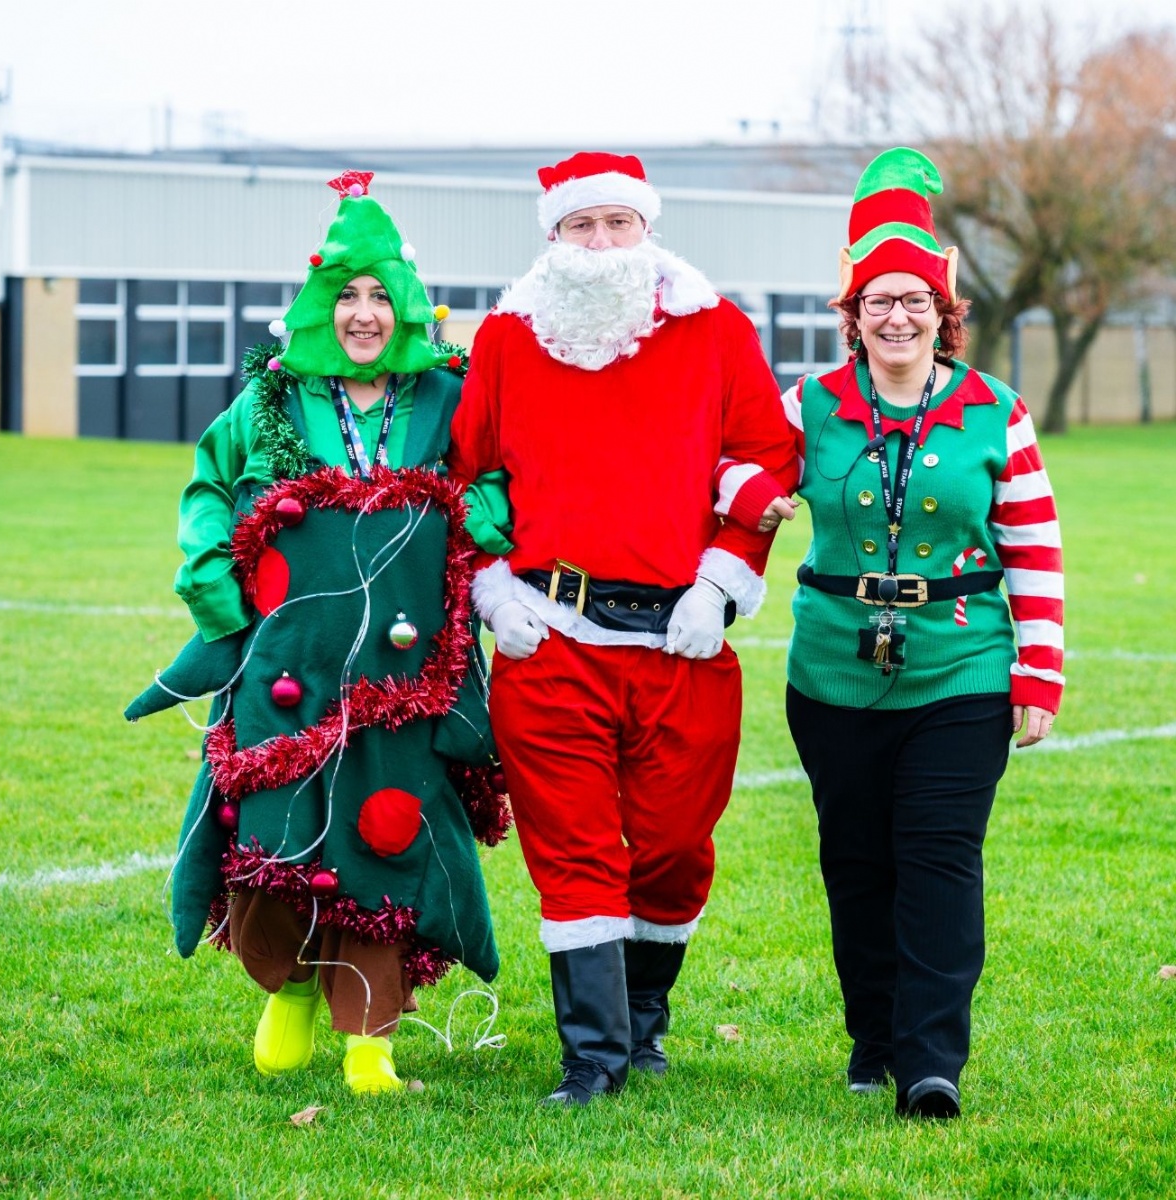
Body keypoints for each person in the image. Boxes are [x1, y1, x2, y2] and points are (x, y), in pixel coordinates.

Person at [126, 172, 510, 1095]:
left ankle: (370, 1042)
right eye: (348, 296)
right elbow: (209, 495)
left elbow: (497, 482)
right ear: (318, 306)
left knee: (385, 833)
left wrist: (472, 524)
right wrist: (224, 606)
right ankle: (290, 994)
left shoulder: (445, 400)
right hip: (285, 670)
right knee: (277, 825)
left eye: (381, 295)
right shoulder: (268, 403)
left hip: (400, 674)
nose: (365, 314)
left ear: (408, 305)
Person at [448, 151, 800, 1105]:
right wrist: (492, 591)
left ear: (647, 228)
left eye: (618, 224)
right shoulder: (507, 338)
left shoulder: (715, 326)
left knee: (676, 843)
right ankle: (595, 1057)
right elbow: (467, 476)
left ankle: (646, 1024)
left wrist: (723, 584)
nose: (600, 243)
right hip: (549, 635)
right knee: (571, 847)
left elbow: (767, 455)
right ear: (551, 236)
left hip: (681, 636)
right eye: (580, 226)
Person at [778, 147, 1064, 1119]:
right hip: (831, 675)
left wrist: (1039, 677)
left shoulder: (998, 414)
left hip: (961, 667)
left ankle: (932, 1060)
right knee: (856, 863)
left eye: (914, 302)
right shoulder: (805, 408)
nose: (895, 318)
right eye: (876, 302)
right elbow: (730, 483)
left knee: (941, 857)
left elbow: (1035, 550)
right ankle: (874, 1035)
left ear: (943, 314)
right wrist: (747, 503)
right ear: (851, 316)